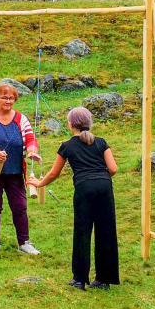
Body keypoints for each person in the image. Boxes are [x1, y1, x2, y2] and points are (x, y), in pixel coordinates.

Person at [31, 106, 119, 290]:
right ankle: (105, 279)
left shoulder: (67, 146)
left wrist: (39, 183)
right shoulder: (101, 142)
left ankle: (79, 279)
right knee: (106, 231)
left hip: (84, 188)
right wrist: (99, 177)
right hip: (104, 187)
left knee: (82, 231)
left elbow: (54, 173)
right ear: (89, 123)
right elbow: (113, 169)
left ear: (71, 124)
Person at [0, 83, 41, 255]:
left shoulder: (21, 119)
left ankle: (24, 242)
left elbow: (31, 139)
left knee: (20, 206)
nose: (8, 101)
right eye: (4, 97)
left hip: (15, 172)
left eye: (11, 98)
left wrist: (32, 152)